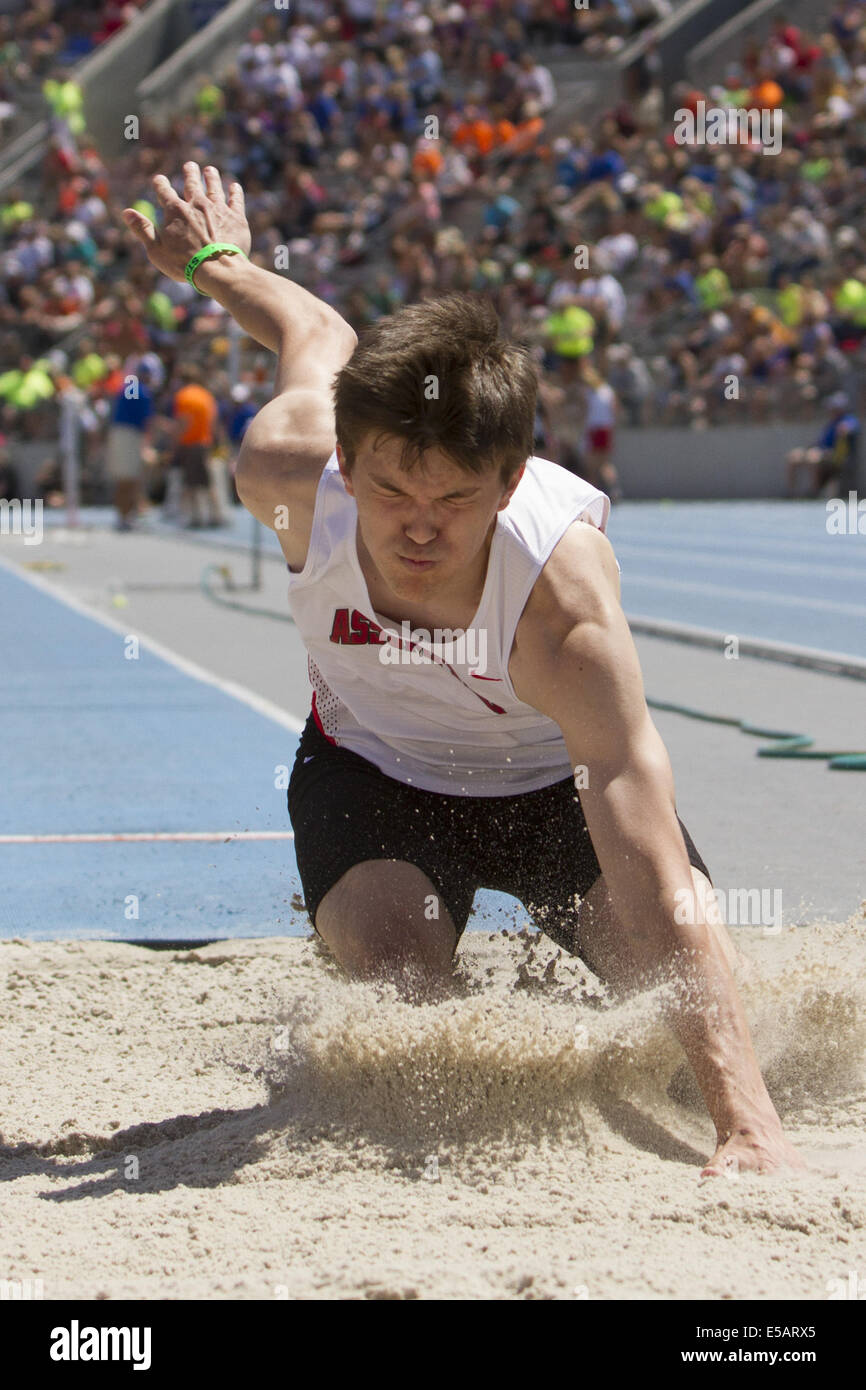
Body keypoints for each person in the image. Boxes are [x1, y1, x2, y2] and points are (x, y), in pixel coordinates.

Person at [123, 162, 804, 1178]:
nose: (420, 529)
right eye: (393, 491)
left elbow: (632, 811)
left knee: (664, 1001)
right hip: (377, 776)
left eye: (455, 499)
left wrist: (744, 1123)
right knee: (405, 1003)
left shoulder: (558, 594)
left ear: (510, 482)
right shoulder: (284, 468)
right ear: (346, 467)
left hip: (550, 791)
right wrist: (219, 262)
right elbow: (320, 339)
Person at [169, 361, 223, 527]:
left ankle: (197, 517)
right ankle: (215, 514)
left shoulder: (183, 396)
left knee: (191, 482)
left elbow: (184, 422)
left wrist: (173, 444)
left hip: (190, 444)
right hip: (204, 442)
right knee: (207, 482)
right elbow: (214, 422)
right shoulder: (206, 395)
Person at [104, 359, 155, 530]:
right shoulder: (139, 390)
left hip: (120, 433)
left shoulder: (128, 387)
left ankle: (125, 515)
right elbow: (146, 419)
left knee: (125, 478)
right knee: (129, 478)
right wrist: (148, 443)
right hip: (129, 435)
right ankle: (126, 515)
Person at [785, 391, 860, 497]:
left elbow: (851, 428)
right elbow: (820, 442)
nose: (831, 410)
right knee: (793, 457)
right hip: (819, 451)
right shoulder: (830, 424)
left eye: (834, 407)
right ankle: (791, 493)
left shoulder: (849, 419)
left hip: (834, 456)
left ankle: (814, 492)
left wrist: (844, 429)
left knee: (813, 458)